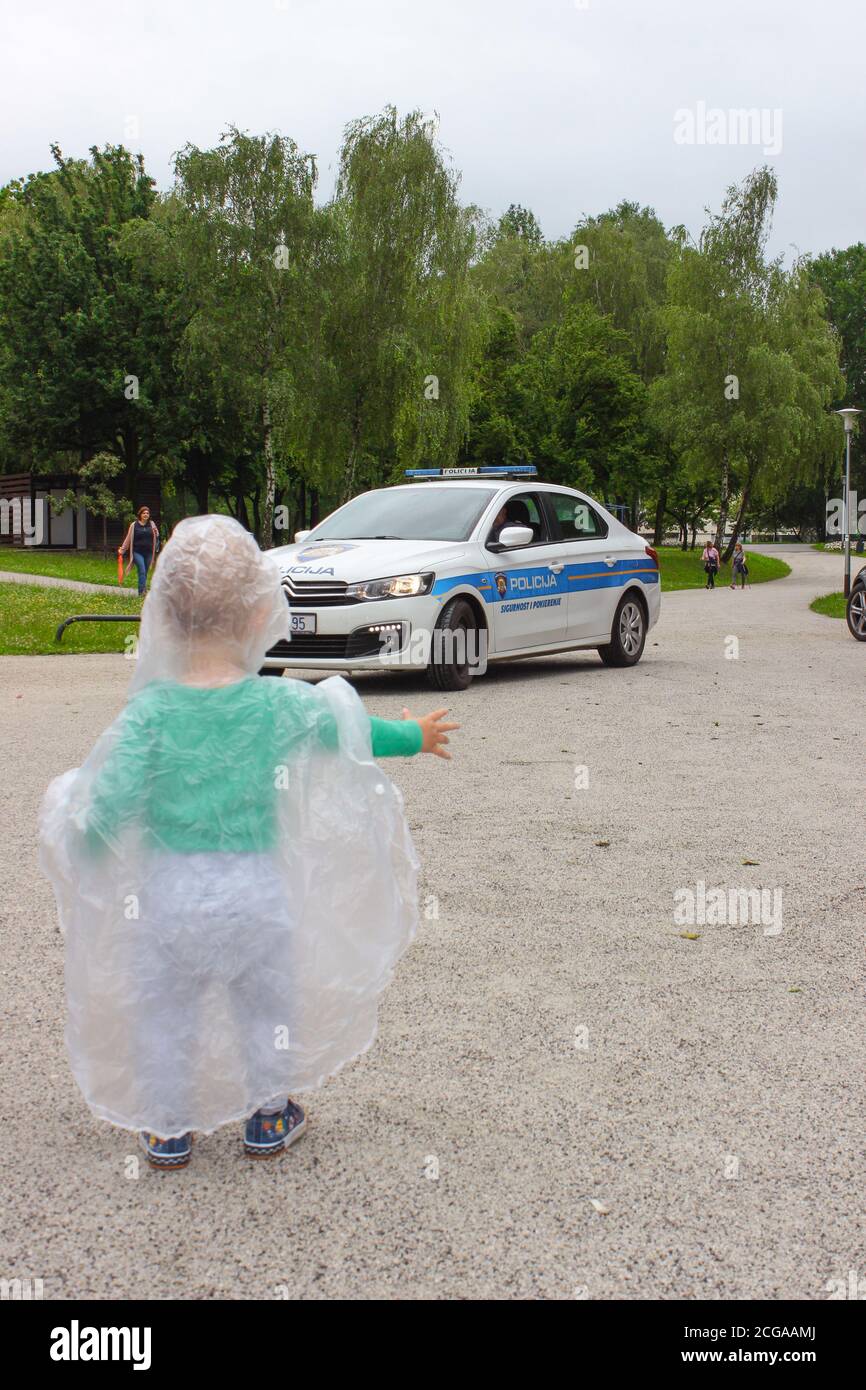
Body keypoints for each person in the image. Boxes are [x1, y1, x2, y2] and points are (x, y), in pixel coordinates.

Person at [39, 515, 458, 1170]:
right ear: (257, 614)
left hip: (168, 900)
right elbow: (348, 729)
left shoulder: (150, 713)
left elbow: (108, 808)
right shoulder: (278, 704)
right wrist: (415, 735)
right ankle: (269, 1116)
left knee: (166, 1014)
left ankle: (167, 1129)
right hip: (256, 895)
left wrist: (71, 821)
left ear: (168, 621)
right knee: (267, 1010)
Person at [119, 505, 160, 597]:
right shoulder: (134, 525)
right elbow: (128, 538)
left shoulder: (152, 524)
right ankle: (141, 593)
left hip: (149, 553)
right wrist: (123, 549)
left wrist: (157, 534)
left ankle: (144, 589)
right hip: (137, 552)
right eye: (144, 513)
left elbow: (156, 536)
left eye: (147, 513)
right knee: (141, 570)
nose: (146, 515)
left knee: (145, 572)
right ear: (140, 515)